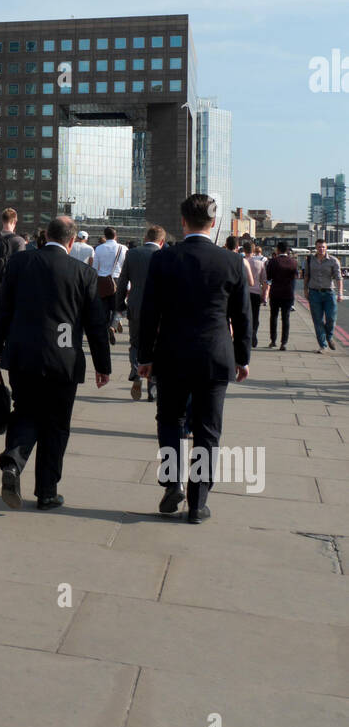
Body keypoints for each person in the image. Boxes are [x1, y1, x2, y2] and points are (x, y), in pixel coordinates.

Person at [137, 193, 252, 524]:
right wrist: (242, 358)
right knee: (207, 430)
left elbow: (149, 313)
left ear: (183, 222)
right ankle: (198, 503)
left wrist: (145, 356)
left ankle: (172, 483)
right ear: (213, 223)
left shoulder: (164, 259)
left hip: (171, 354)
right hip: (215, 356)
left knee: (169, 420)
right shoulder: (231, 262)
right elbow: (243, 316)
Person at [0, 215, 111, 511]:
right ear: (71, 241)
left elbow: (2, 311)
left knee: (25, 412)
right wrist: (102, 366)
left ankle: (13, 463)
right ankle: (47, 492)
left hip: (22, 356)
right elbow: (96, 325)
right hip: (64, 359)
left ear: (45, 236)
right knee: (56, 425)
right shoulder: (84, 273)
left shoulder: (19, 264)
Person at [116, 225, 165, 402]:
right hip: (159, 308)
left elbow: (122, 282)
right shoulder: (165, 255)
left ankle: (136, 372)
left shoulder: (133, 254)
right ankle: (152, 385)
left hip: (136, 305)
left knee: (135, 342)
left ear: (145, 238)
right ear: (162, 241)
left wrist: (119, 304)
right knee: (156, 346)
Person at [304, 238, 344, 353]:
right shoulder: (309, 260)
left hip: (329, 293)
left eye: (323, 247)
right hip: (314, 293)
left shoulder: (333, 260)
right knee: (317, 320)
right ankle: (323, 345)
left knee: (331, 318)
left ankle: (329, 336)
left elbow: (338, 278)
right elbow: (306, 276)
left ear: (326, 248)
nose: (321, 249)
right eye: (319, 247)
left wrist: (340, 293)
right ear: (316, 248)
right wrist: (305, 290)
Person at [91, 225, 126, 344]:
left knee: (104, 309)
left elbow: (94, 268)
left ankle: (105, 332)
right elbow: (126, 267)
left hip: (102, 281)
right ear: (115, 235)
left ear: (105, 236)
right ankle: (113, 325)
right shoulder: (123, 248)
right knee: (118, 308)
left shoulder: (99, 248)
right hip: (117, 280)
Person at [265, 241, 299, 350]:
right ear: (287, 250)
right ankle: (284, 343)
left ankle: (273, 340)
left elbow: (268, 277)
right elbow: (296, 276)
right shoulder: (293, 262)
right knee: (286, 318)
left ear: (278, 250)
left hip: (275, 293)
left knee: (273, 317)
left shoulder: (273, 262)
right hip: (288, 293)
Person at [243, 239, 268, 349]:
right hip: (256, 293)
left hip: (243, 293)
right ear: (254, 250)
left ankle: (246, 336)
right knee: (255, 316)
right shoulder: (260, 263)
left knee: (244, 315)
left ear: (244, 250)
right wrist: (264, 295)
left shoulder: (241, 262)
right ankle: (253, 334)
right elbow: (264, 281)